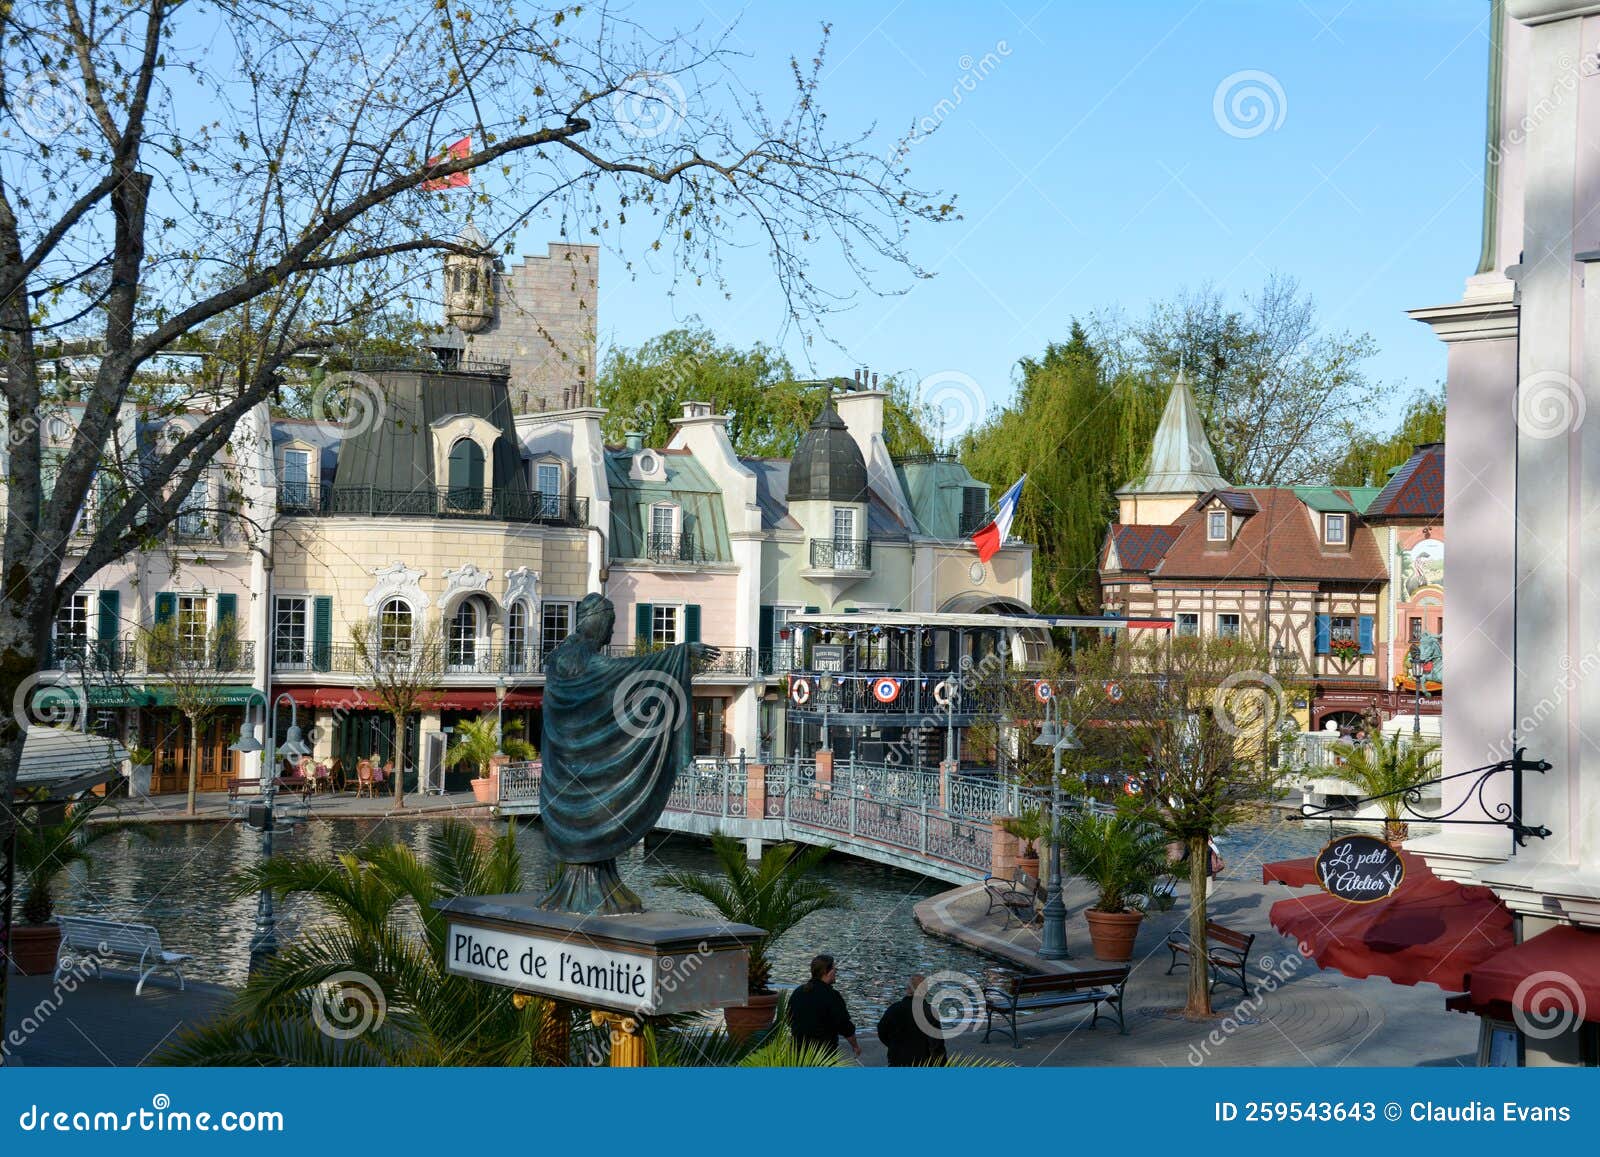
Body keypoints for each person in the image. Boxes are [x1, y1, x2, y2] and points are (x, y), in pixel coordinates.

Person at [786, 954, 860, 1059]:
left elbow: (789, 1019)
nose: (836, 971)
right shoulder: (832, 995)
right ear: (826, 971)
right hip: (822, 1054)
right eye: (834, 968)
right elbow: (845, 1026)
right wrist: (855, 1046)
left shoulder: (798, 992)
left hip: (797, 1051)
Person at [876, 975, 947, 1067]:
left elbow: (882, 1031)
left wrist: (893, 1045)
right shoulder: (930, 1012)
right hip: (923, 1062)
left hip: (897, 1060)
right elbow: (937, 1045)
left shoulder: (894, 1009)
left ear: (908, 989)